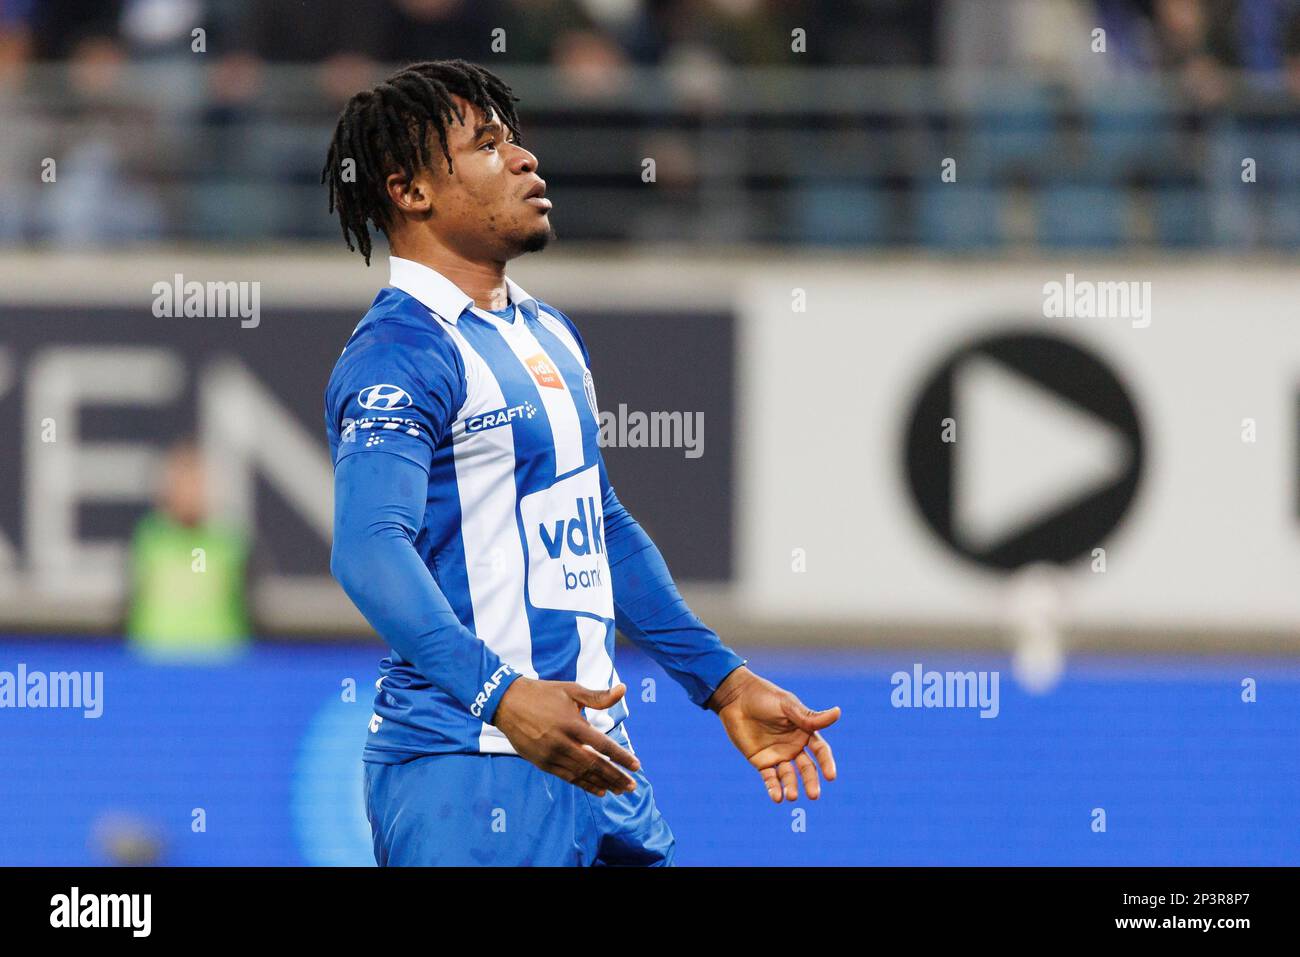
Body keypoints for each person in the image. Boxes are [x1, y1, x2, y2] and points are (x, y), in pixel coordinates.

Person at [321, 59, 840, 866]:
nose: (526, 159)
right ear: (409, 190)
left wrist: (723, 681)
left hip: (599, 767)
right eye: (488, 145)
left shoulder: (548, 331)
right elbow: (367, 546)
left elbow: (595, 524)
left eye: (516, 140)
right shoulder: (401, 351)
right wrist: (500, 697)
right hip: (470, 769)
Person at [126, 440, 251, 659]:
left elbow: (252, 610)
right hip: (154, 668)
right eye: (182, 482)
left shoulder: (230, 545)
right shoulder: (148, 541)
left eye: (196, 483)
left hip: (221, 670)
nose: (189, 493)